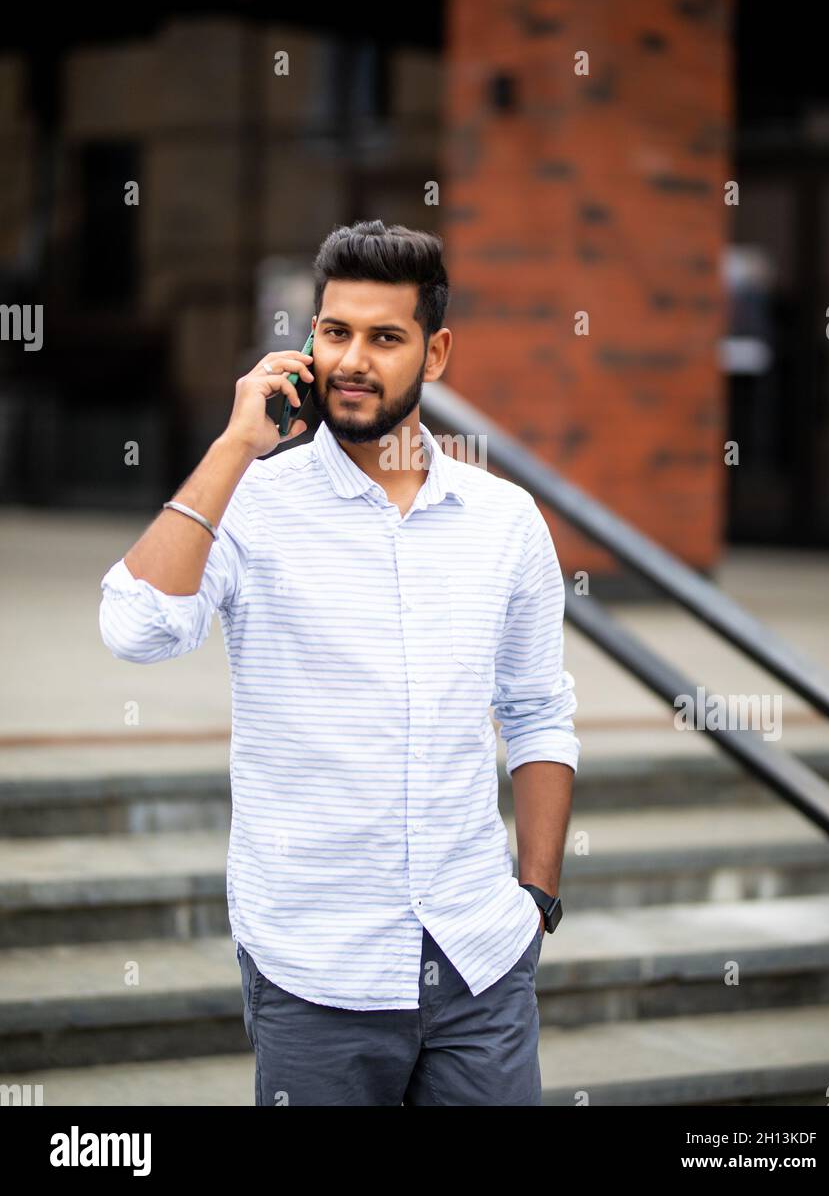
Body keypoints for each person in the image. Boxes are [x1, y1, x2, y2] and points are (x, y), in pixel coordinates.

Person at [99, 219, 579, 1105]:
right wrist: (235, 445)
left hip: (480, 959)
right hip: (315, 966)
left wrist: (535, 896)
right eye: (334, 332)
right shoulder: (253, 502)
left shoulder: (504, 520)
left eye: (384, 338)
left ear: (434, 354)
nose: (351, 360)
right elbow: (136, 627)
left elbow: (539, 711)